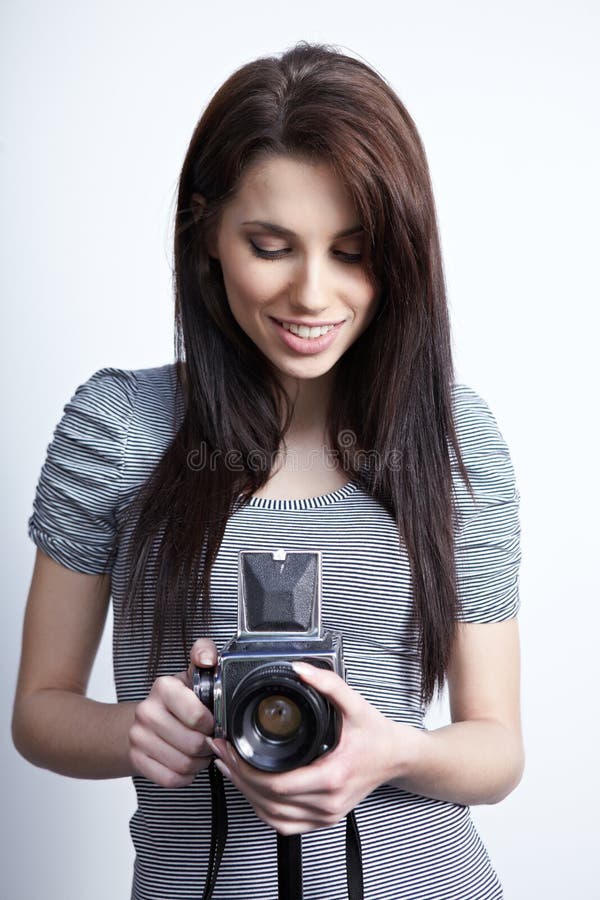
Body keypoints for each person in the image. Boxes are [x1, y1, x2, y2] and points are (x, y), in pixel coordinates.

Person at [12, 40, 524, 900]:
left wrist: (392, 751)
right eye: (272, 245)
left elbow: (498, 745)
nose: (313, 295)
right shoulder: (118, 428)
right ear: (208, 231)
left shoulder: (451, 436)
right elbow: (40, 710)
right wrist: (142, 729)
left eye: (354, 252)